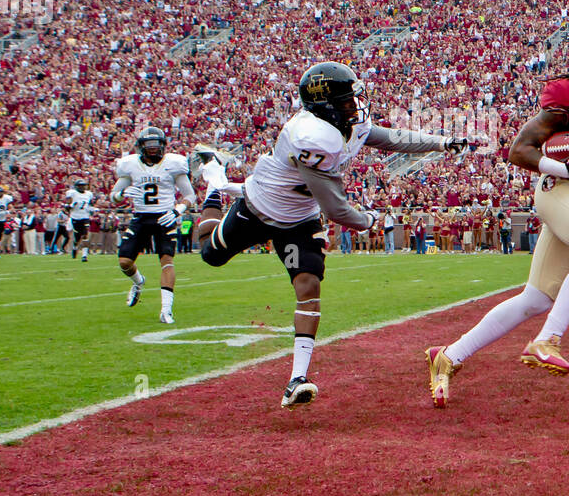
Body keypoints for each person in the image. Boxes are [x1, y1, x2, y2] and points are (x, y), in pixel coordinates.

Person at [198, 62, 473, 408]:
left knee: (308, 286)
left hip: (299, 217)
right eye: (346, 100)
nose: (355, 105)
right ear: (325, 105)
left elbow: (389, 138)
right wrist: (368, 220)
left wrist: (440, 142)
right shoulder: (312, 135)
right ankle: (213, 184)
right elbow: (336, 209)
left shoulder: (347, 125)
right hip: (260, 206)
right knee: (210, 254)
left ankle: (296, 379)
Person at [427, 34, 569, 408]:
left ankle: (448, 356)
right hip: (558, 189)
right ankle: (547, 339)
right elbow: (519, 150)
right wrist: (560, 166)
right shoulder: (568, 95)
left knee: (534, 299)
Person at [111, 126, 197, 325]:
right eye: (148, 145)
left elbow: (190, 195)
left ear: (162, 145)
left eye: (156, 145)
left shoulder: (174, 163)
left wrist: (177, 211)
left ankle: (166, 310)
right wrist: (121, 195)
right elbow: (113, 196)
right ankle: (138, 282)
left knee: (167, 261)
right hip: (141, 218)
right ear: (141, 146)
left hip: (164, 217)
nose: (152, 149)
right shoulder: (130, 165)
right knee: (124, 262)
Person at [65, 179, 94, 261]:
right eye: (80, 186)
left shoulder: (89, 194)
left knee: (85, 235)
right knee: (77, 238)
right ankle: (75, 247)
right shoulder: (72, 193)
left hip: (85, 216)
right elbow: (67, 207)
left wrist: (92, 210)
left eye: (83, 186)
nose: (82, 187)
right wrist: (71, 205)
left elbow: (90, 204)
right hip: (75, 217)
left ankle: (84, 256)